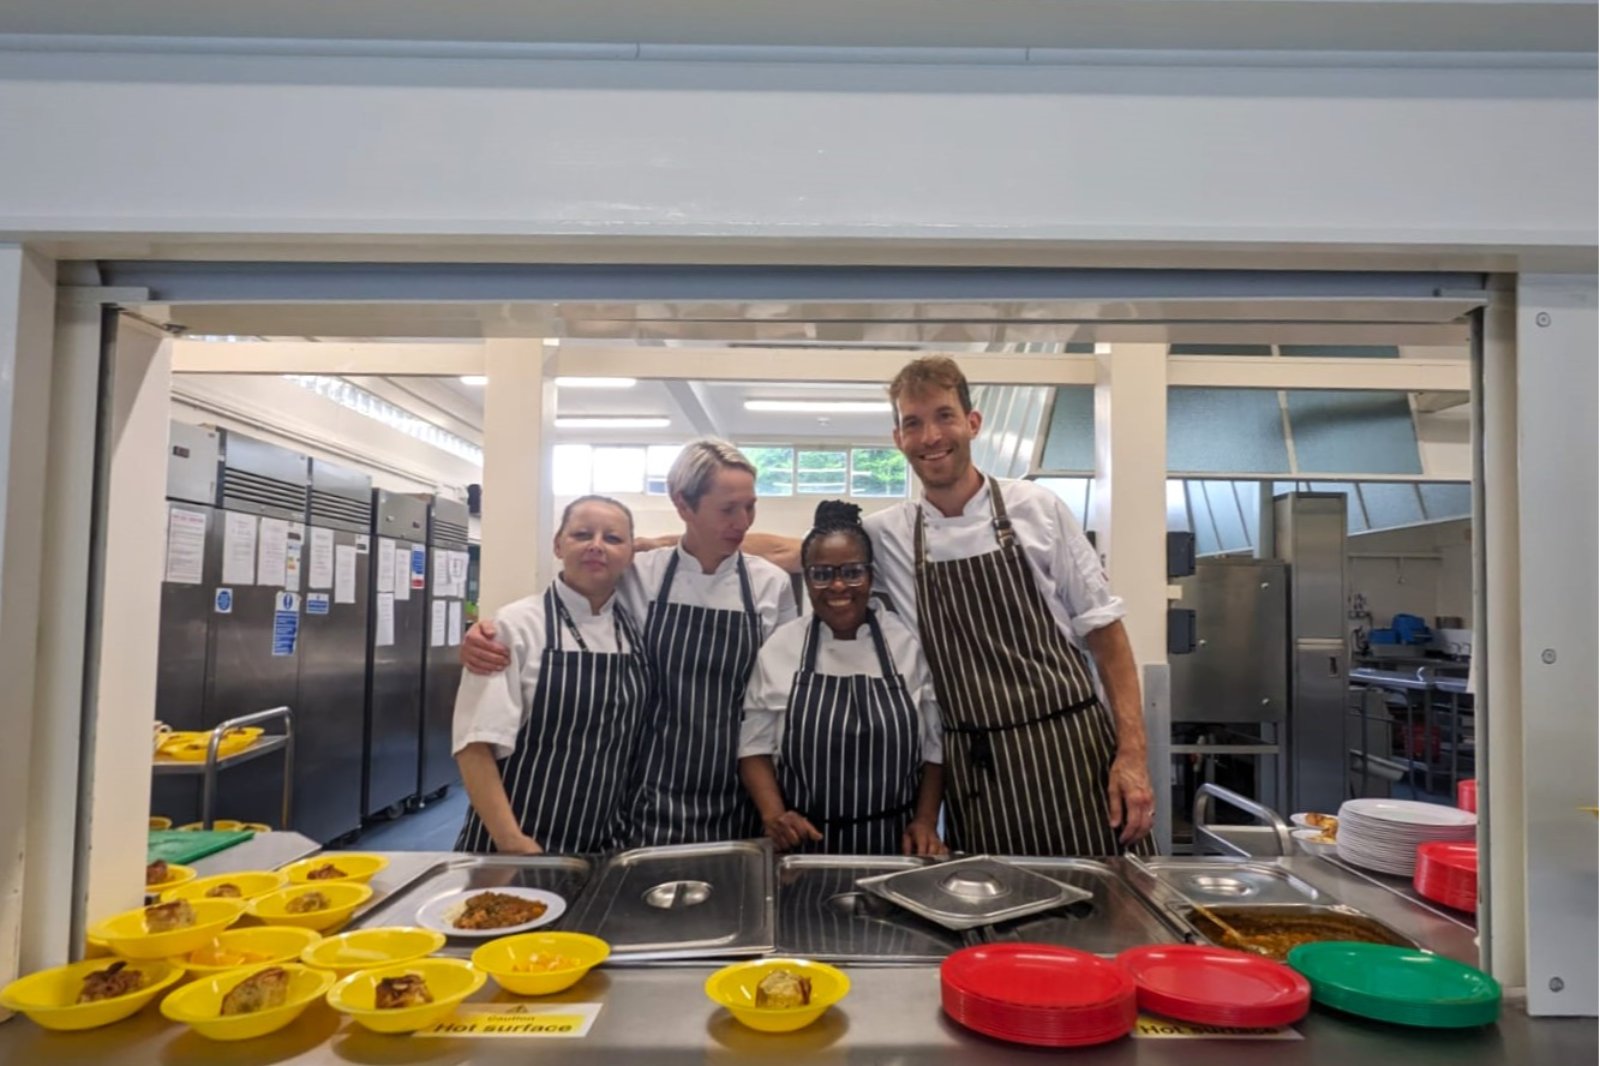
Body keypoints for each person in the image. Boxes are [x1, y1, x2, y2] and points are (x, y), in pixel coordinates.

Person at [738, 357, 1156, 856]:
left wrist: (1131, 753)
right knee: (998, 914)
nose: (930, 436)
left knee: (1105, 911)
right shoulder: (888, 534)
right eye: (913, 423)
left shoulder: (1036, 509)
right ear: (898, 438)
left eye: (944, 416)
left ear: (972, 422)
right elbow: (792, 550)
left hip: (1070, 752)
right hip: (976, 774)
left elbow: (1105, 630)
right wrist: (654, 544)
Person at [461, 439, 797, 846]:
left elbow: (775, 695)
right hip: (643, 795)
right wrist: (487, 632)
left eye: (750, 507)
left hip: (737, 784)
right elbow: (577, 596)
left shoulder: (770, 585)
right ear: (683, 505)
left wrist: (771, 803)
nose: (742, 522)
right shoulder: (639, 574)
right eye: (727, 509)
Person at [738, 501, 946, 857]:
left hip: (894, 843)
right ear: (806, 576)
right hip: (805, 845)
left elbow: (934, 748)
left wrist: (926, 822)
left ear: (870, 574)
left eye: (852, 572)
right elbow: (753, 748)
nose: (838, 586)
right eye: (821, 574)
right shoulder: (781, 648)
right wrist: (774, 815)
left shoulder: (906, 643)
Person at [453, 495, 649, 854]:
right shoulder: (515, 626)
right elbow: (473, 745)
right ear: (558, 545)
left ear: (631, 554)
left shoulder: (635, 627)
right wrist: (512, 841)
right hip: (516, 841)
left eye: (613, 538)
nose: (596, 546)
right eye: (582, 534)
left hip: (605, 842)